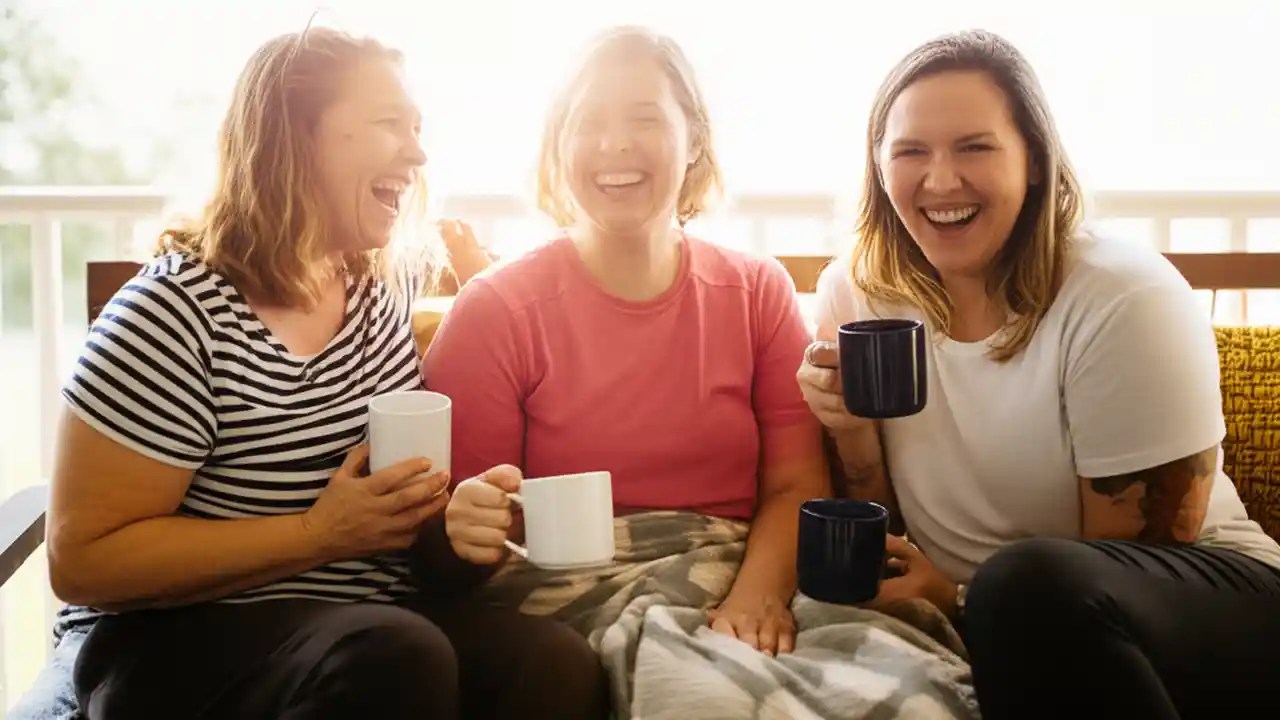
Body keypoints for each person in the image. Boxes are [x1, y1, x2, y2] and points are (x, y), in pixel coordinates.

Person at [49, 26, 605, 720]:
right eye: (387, 124)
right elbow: (85, 562)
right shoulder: (172, 315)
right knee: (398, 653)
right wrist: (317, 535)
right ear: (293, 137)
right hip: (169, 644)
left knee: (554, 662)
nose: (418, 152)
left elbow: (394, 535)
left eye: (418, 127)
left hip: (360, 628)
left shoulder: (380, 290)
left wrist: (456, 528)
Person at [796, 28, 1280, 720]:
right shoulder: (859, 292)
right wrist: (849, 429)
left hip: (1207, 603)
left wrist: (959, 599)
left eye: (975, 147)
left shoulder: (1120, 296)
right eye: (910, 152)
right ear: (879, 167)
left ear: (1032, 161)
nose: (939, 180)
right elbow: (884, 513)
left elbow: (1128, 560)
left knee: (1026, 583)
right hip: (1012, 611)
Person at [422, 26, 830, 657]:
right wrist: (466, 524)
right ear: (559, 147)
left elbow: (795, 484)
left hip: (744, 580)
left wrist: (756, 597)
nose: (614, 144)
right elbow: (462, 540)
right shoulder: (497, 310)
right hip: (564, 602)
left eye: (644, 118)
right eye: (587, 122)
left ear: (693, 140)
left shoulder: (758, 292)